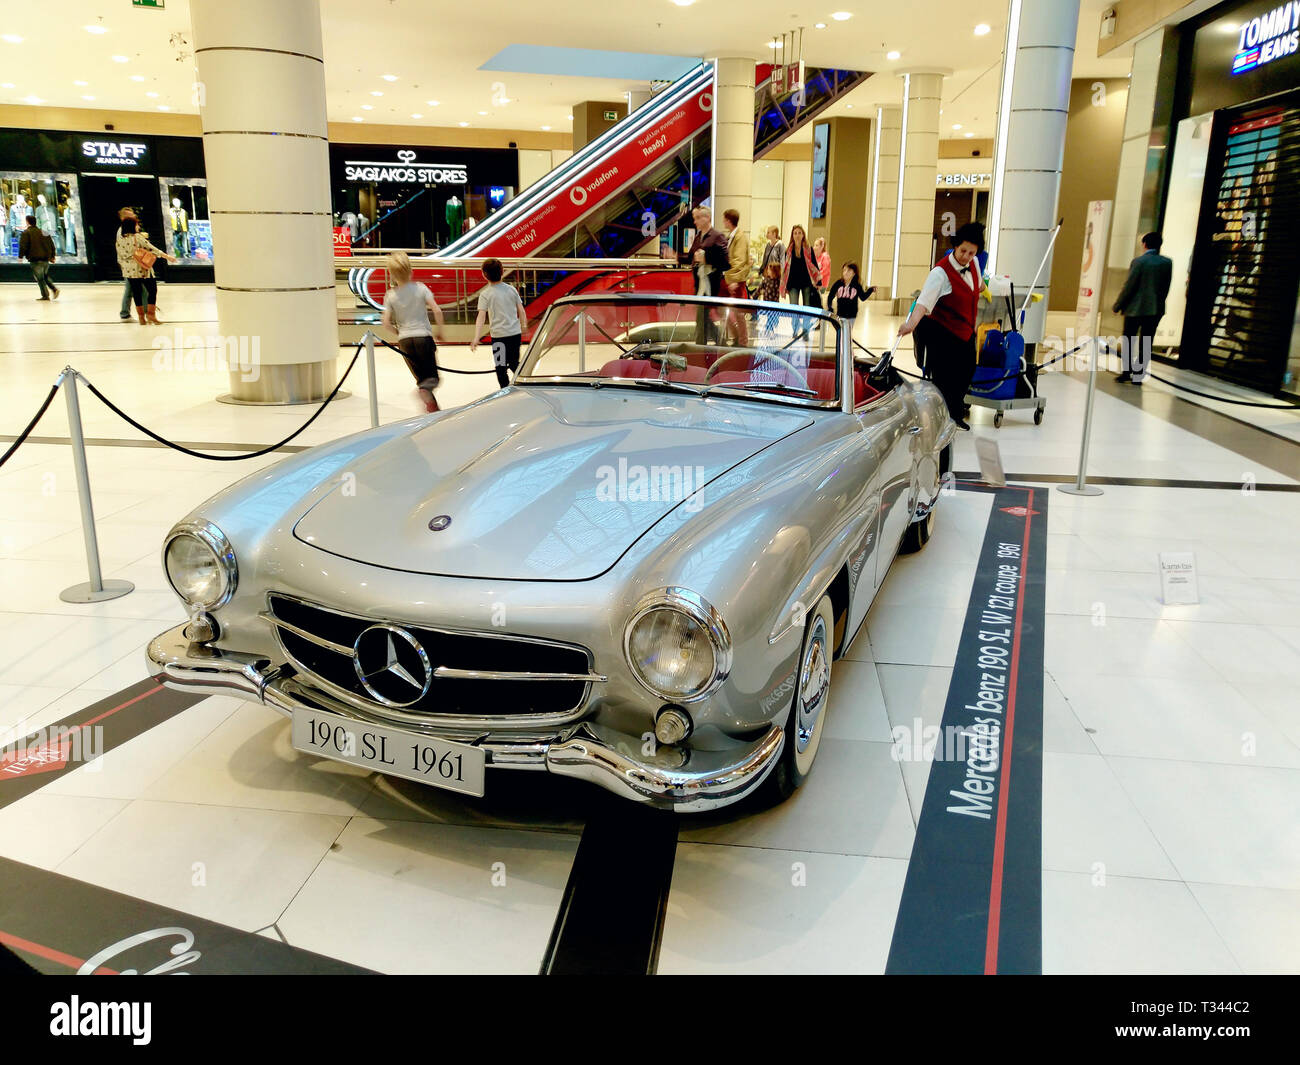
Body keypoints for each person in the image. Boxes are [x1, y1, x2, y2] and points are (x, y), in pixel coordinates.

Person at [897, 222, 985, 430]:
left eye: (971, 253)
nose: (966, 256)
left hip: (965, 332)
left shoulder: (974, 265)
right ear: (955, 245)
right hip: (943, 332)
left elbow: (978, 286)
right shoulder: (940, 272)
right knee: (945, 378)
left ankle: (955, 414)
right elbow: (923, 303)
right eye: (963, 250)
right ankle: (942, 419)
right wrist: (910, 324)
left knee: (966, 372)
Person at [381, 251, 446, 412]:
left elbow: (386, 322)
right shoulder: (420, 288)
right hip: (423, 336)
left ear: (392, 274)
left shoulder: (390, 295)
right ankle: (427, 398)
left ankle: (432, 408)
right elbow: (437, 311)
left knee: (422, 379)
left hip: (405, 340)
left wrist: (398, 332)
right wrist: (440, 331)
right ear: (411, 270)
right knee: (433, 379)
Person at [1112, 231, 1173, 384]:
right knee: (1146, 342)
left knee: (1129, 340)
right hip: (1155, 309)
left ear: (1144, 244)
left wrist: (1118, 305)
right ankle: (1139, 375)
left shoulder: (1138, 262)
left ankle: (1126, 372)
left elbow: (1130, 286)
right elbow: (1165, 287)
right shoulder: (1167, 263)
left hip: (1135, 309)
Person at [470, 258, 528, 388]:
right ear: (502, 271)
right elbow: (521, 310)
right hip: (514, 334)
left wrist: (476, 337)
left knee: (501, 367)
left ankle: (505, 391)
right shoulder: (511, 290)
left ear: (484, 274)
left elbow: (481, 316)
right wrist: (524, 325)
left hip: (498, 337)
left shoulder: (485, 294)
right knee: (514, 363)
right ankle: (524, 385)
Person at [678, 205, 728, 342]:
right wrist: (675, 256)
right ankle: (720, 345)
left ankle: (703, 349)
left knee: (702, 322)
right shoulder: (699, 236)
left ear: (708, 218)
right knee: (703, 321)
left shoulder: (717, 236)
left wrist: (706, 258)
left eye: (698, 218)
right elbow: (690, 258)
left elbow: (725, 262)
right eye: (695, 218)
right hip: (700, 287)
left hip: (711, 288)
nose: (695, 221)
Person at [115, 217, 174, 325]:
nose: (138, 226)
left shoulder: (120, 240)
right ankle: (151, 315)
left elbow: (119, 257)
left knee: (136, 293)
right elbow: (151, 248)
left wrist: (125, 268)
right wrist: (167, 257)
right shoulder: (137, 237)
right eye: (136, 224)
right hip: (142, 269)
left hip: (129, 272)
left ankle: (141, 318)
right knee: (152, 290)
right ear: (132, 226)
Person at [721, 208, 749, 347]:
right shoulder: (732, 236)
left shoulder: (739, 236)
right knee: (727, 310)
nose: (723, 222)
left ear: (729, 220)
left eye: (724, 219)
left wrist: (733, 280)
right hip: (731, 278)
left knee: (738, 313)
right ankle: (738, 337)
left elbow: (739, 260)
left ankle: (743, 341)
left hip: (736, 280)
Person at [18, 215, 59, 301]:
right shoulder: (44, 232)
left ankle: (46, 295)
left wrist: (20, 257)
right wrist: (52, 256)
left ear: (27, 222)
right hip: (45, 259)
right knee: (44, 276)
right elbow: (51, 245)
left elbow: (23, 246)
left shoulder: (26, 233)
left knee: (40, 278)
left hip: (35, 259)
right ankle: (53, 290)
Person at [780, 225, 821, 309]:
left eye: (799, 233)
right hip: (793, 282)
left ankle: (807, 322)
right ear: (792, 236)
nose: (797, 235)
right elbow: (785, 269)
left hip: (806, 281)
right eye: (795, 233)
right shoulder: (788, 251)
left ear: (803, 235)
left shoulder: (809, 250)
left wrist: (819, 281)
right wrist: (784, 284)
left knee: (807, 307)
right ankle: (795, 322)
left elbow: (814, 265)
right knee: (794, 307)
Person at [116, 207, 138, 320]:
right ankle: (125, 313)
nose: (133, 217)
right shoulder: (123, 232)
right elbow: (127, 249)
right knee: (132, 289)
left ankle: (144, 311)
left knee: (133, 289)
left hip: (132, 264)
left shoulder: (127, 229)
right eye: (130, 216)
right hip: (129, 265)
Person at [759, 225, 783, 303]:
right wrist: (762, 270)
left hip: (775, 275)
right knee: (766, 293)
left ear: (774, 233)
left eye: (768, 232)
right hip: (767, 273)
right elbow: (765, 259)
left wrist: (781, 275)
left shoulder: (780, 245)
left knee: (774, 295)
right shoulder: (768, 245)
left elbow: (783, 260)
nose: (767, 234)